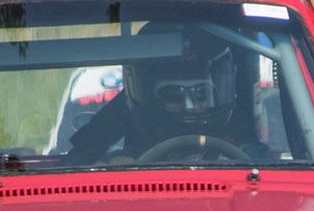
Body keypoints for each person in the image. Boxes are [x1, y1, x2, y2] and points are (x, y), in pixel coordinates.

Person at [64, 32, 252, 163]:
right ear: (152, 99)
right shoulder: (119, 166)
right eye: (173, 95)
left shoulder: (250, 158)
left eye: (201, 94)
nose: (189, 106)